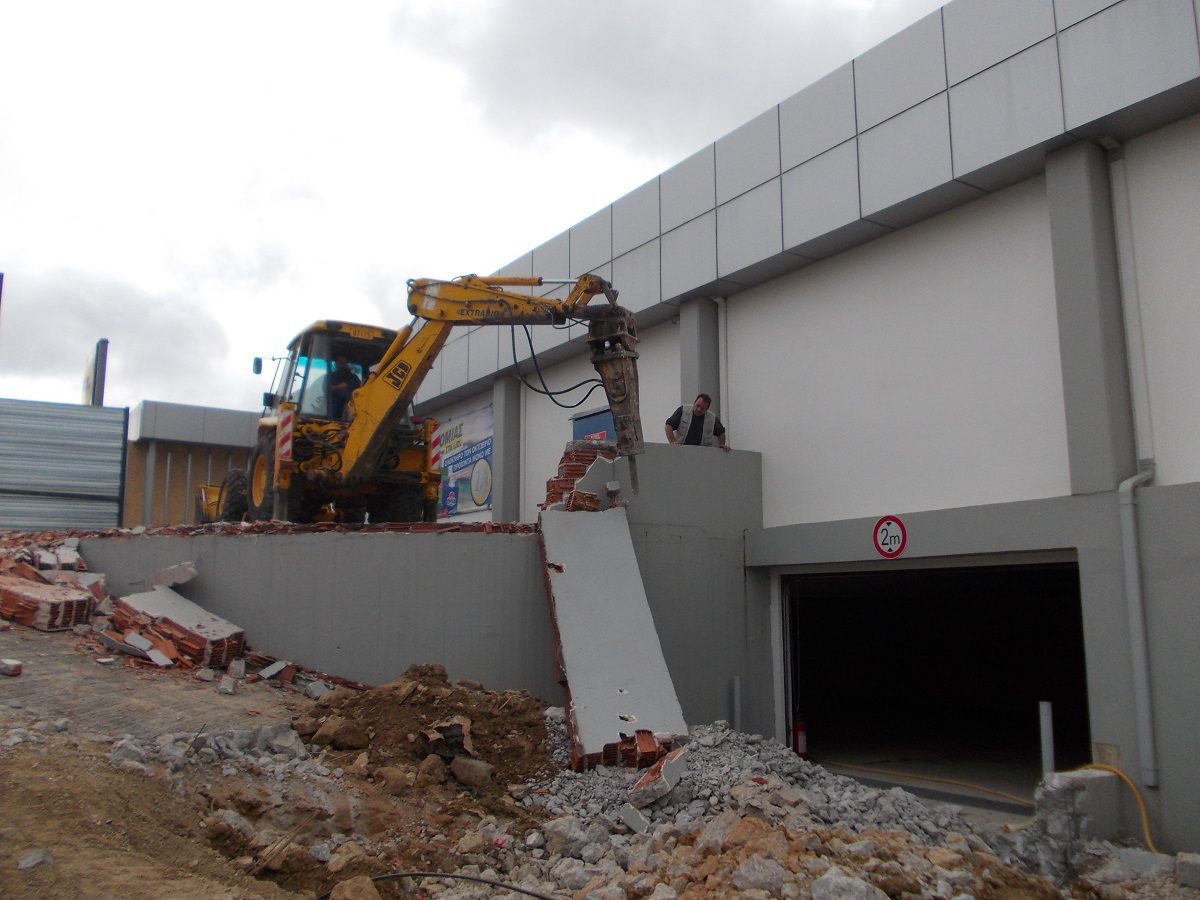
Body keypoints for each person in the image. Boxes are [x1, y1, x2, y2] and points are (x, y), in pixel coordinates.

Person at [665, 393, 730, 450]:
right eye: (698, 406)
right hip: (681, 450)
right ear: (694, 402)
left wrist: (722, 444)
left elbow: (721, 432)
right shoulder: (683, 410)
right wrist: (672, 442)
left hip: (702, 454)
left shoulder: (712, 418)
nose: (699, 409)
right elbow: (668, 426)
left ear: (707, 409)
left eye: (702, 408)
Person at [329, 355, 361, 420]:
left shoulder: (354, 378)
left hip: (350, 403)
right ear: (336, 365)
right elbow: (326, 389)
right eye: (340, 364)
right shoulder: (330, 377)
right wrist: (338, 387)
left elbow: (361, 391)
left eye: (344, 363)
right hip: (334, 404)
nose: (343, 366)